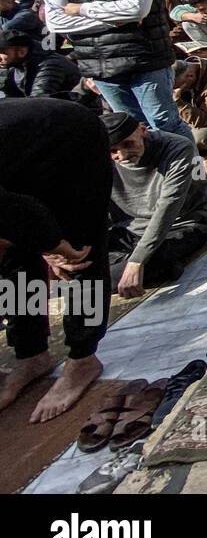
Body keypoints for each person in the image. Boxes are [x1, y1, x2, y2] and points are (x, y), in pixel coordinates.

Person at [0, 100, 113, 422]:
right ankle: (30, 353)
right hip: (16, 162)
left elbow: (18, 212)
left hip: (69, 140)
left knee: (80, 255)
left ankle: (83, 357)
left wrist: (54, 245)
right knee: (13, 262)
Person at [44, 0, 192, 140]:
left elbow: (136, 9)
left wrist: (80, 9)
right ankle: (151, 176)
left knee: (165, 124)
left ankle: (191, 176)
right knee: (130, 129)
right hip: (100, 63)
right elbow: (55, 21)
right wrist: (116, 20)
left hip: (144, 58)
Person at [103, 112, 207, 297]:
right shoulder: (98, 155)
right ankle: (152, 265)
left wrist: (137, 261)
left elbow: (168, 206)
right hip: (128, 229)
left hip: (179, 226)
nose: (122, 155)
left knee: (105, 278)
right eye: (113, 151)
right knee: (83, 267)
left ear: (142, 130)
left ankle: (158, 264)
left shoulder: (177, 147)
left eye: (128, 144)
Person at [0, 28, 86, 101]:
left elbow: (39, 102)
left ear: (22, 52)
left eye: (2, 52)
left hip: (74, 113)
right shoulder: (16, 67)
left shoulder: (50, 65)